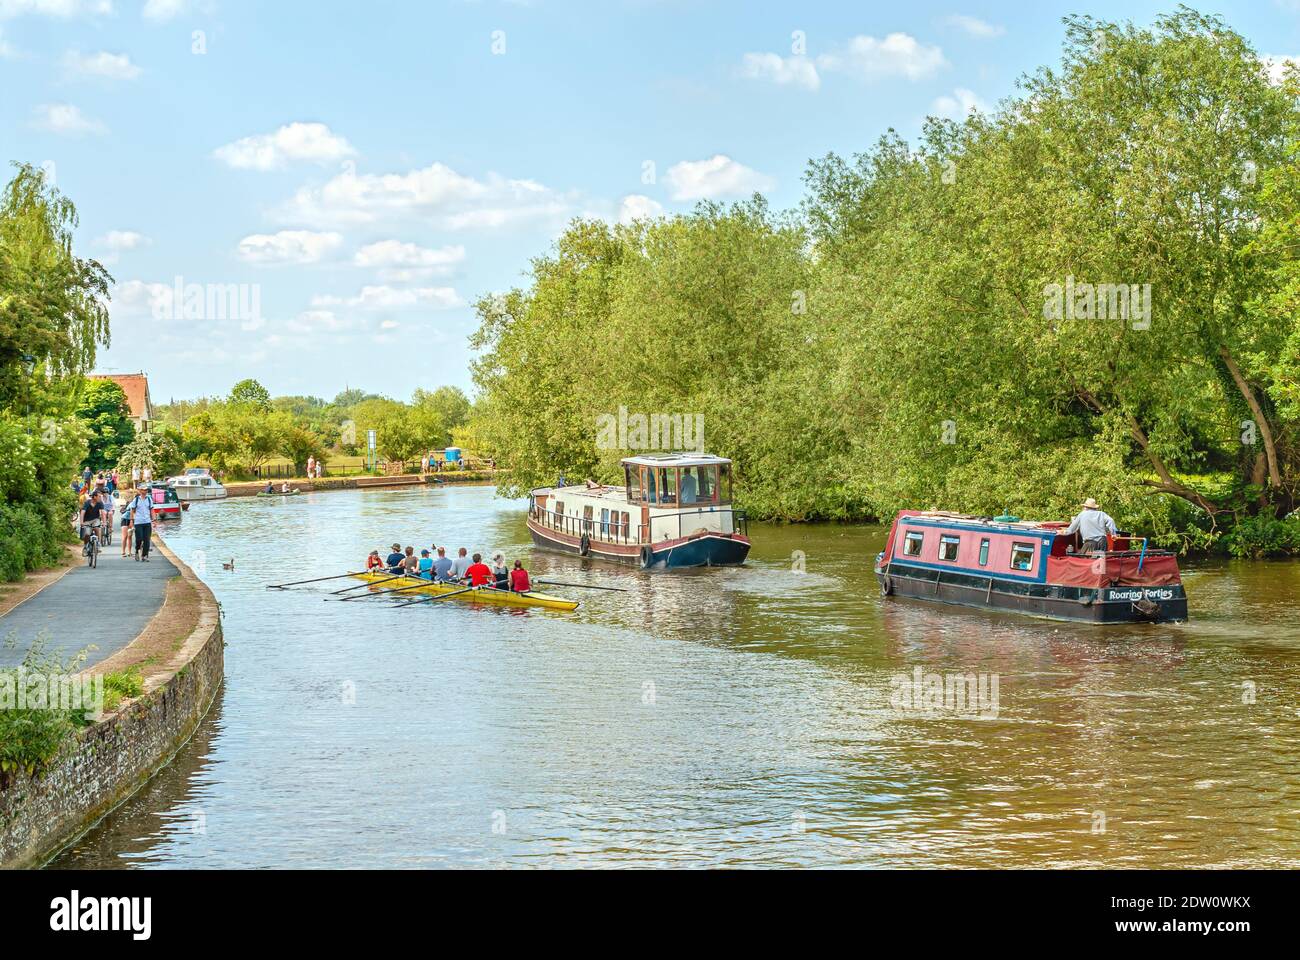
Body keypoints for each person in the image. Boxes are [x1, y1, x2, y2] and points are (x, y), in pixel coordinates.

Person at [127, 487, 154, 561]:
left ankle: (144, 556)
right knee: (139, 539)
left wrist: (154, 520)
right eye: (143, 490)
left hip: (147, 522)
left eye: (145, 490)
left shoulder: (149, 499)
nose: (144, 491)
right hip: (138, 522)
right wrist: (131, 521)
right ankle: (136, 551)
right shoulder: (136, 500)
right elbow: (132, 510)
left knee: (147, 540)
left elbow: (152, 509)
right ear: (140, 491)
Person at [119, 492, 134, 557]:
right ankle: (123, 552)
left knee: (130, 536)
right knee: (125, 536)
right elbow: (131, 512)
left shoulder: (134, 503)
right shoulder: (132, 504)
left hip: (131, 520)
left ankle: (129, 552)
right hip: (125, 519)